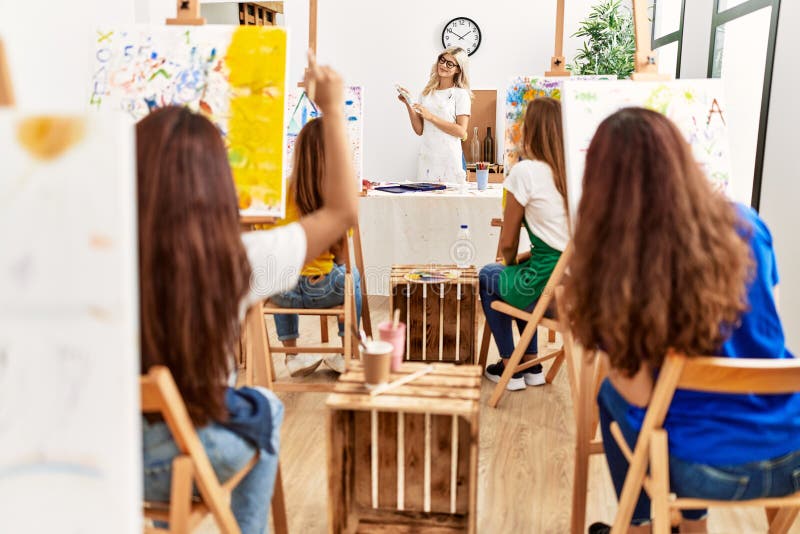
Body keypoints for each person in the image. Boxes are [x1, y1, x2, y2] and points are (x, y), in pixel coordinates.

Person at [138, 55, 358, 534]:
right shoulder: (235, 261)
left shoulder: (95, 257)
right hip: (193, 453)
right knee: (266, 406)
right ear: (217, 183)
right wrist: (333, 110)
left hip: (103, 451)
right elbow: (342, 211)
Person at [565, 107, 800, 534]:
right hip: (793, 452)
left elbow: (637, 395)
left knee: (613, 397)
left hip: (709, 470)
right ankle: (693, 528)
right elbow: (767, 330)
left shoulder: (621, 261)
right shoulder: (748, 225)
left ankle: (637, 527)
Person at [479, 97, 569, 391]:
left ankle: (511, 366)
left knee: (490, 275)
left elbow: (507, 242)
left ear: (531, 130)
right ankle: (533, 363)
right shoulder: (574, 174)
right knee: (518, 273)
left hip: (545, 291)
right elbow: (562, 244)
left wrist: (508, 261)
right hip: (576, 294)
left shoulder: (526, 172)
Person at [270, 116, 363, 377]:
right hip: (323, 290)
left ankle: (291, 356)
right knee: (352, 277)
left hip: (280, 291)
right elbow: (342, 259)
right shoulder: (337, 195)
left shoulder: (277, 191)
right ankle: (346, 352)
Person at [398, 47, 472, 184]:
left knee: (451, 204)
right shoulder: (426, 93)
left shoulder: (461, 95)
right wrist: (408, 103)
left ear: (458, 69)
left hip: (450, 160)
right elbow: (419, 130)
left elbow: (461, 132)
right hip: (428, 159)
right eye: (442, 60)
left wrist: (431, 117)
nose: (443, 65)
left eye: (450, 64)